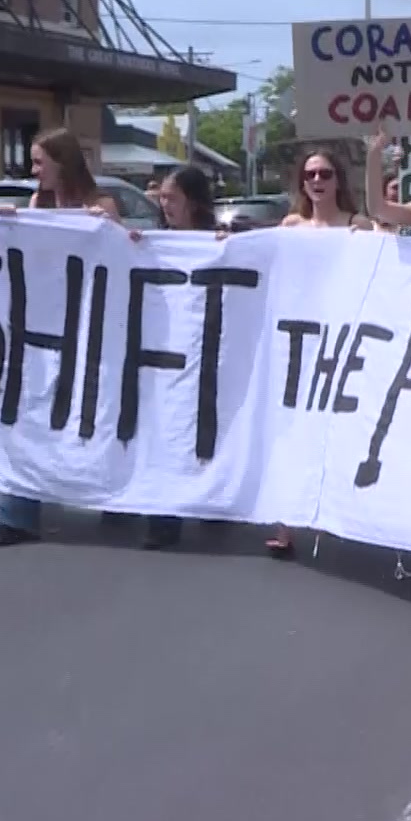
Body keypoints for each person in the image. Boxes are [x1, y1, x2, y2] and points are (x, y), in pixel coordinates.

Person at [0, 128, 122, 548]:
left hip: (92, 328)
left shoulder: (101, 206)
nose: (33, 170)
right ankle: (16, 515)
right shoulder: (38, 204)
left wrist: (109, 229)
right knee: (26, 414)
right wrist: (8, 225)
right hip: (43, 330)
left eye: (40, 162)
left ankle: (122, 497)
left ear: (62, 162)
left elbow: (126, 261)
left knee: (98, 416)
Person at [267, 149, 375, 557]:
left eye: (325, 173)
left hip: (345, 338)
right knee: (292, 429)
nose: (317, 180)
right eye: (310, 174)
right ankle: (285, 523)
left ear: (337, 180)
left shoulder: (357, 226)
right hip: (299, 340)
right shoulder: (291, 225)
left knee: (339, 427)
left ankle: (339, 512)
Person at [124, 164, 229, 551]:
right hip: (164, 358)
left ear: (194, 202)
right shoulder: (155, 243)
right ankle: (162, 519)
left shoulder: (221, 242)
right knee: (165, 433)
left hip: (211, 355)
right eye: (161, 198)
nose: (164, 205)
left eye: (172, 198)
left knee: (207, 432)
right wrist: (128, 245)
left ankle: (213, 501)